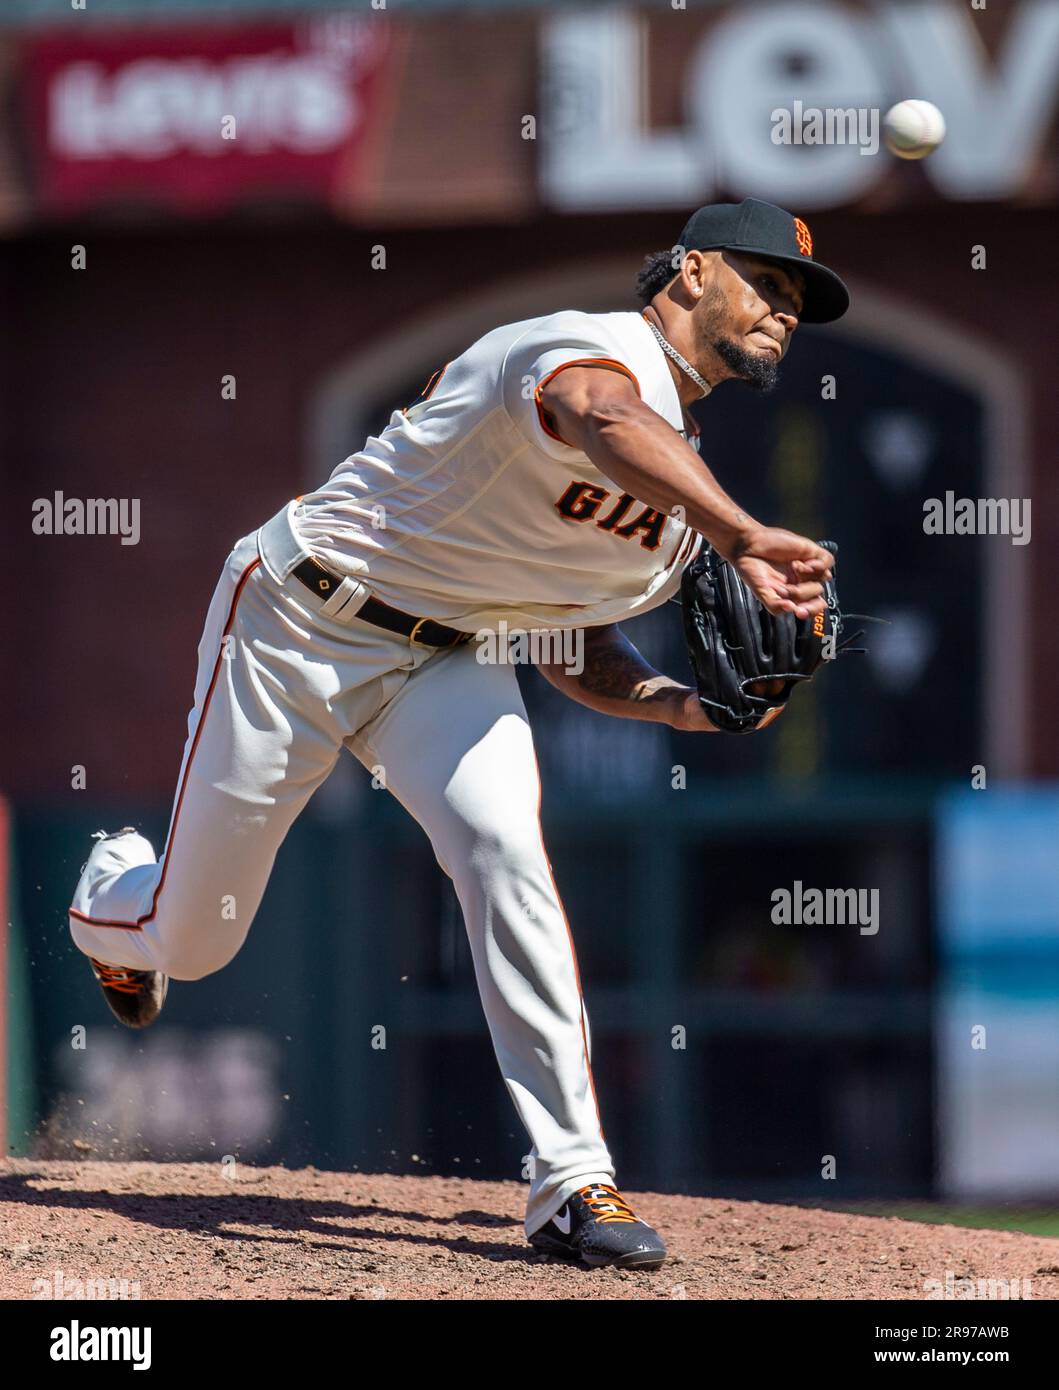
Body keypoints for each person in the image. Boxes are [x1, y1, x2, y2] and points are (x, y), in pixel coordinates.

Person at [69, 198, 849, 1270]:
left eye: (800, 300)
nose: (785, 310)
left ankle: (575, 1182)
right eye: (766, 281)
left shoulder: (677, 519)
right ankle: (114, 888)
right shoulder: (588, 348)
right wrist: (747, 531)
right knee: (191, 940)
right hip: (299, 618)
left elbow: (569, 647)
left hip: (452, 659)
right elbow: (595, 412)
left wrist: (683, 703)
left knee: (507, 855)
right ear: (692, 272)